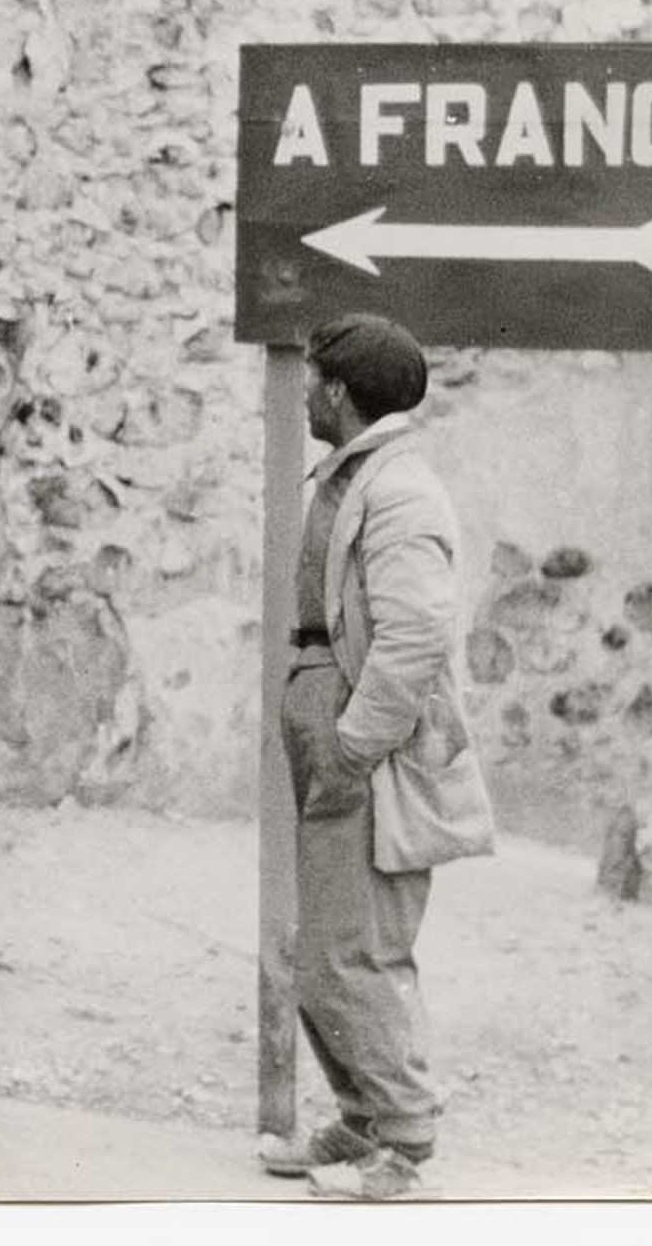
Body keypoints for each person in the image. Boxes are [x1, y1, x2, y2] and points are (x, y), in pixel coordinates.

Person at [263, 313, 495, 1200]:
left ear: (341, 393)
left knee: (356, 945)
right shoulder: (361, 475)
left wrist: (354, 745)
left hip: (366, 739)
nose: (309, 392)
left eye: (319, 379)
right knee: (325, 942)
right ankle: (364, 1120)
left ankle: (402, 1146)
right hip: (331, 709)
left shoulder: (399, 492)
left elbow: (413, 641)